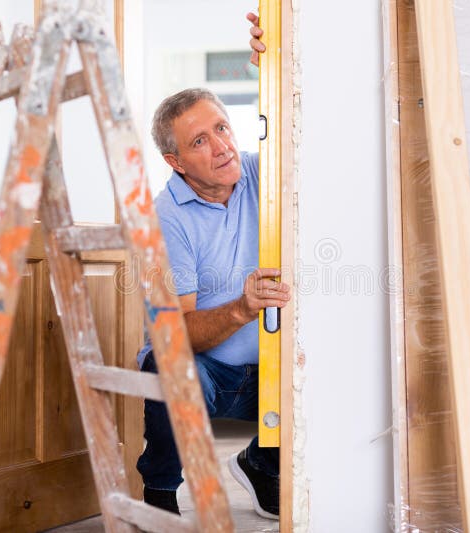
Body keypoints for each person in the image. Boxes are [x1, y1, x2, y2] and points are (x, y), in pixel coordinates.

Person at [136, 84, 290, 520]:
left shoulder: (262, 174)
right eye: (200, 141)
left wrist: (282, 61)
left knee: (326, 365)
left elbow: (316, 131)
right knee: (168, 365)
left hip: (269, 372)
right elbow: (176, 331)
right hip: (209, 375)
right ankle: (161, 490)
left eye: (222, 128)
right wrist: (242, 308)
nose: (222, 147)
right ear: (176, 162)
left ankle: (261, 461)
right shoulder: (166, 217)